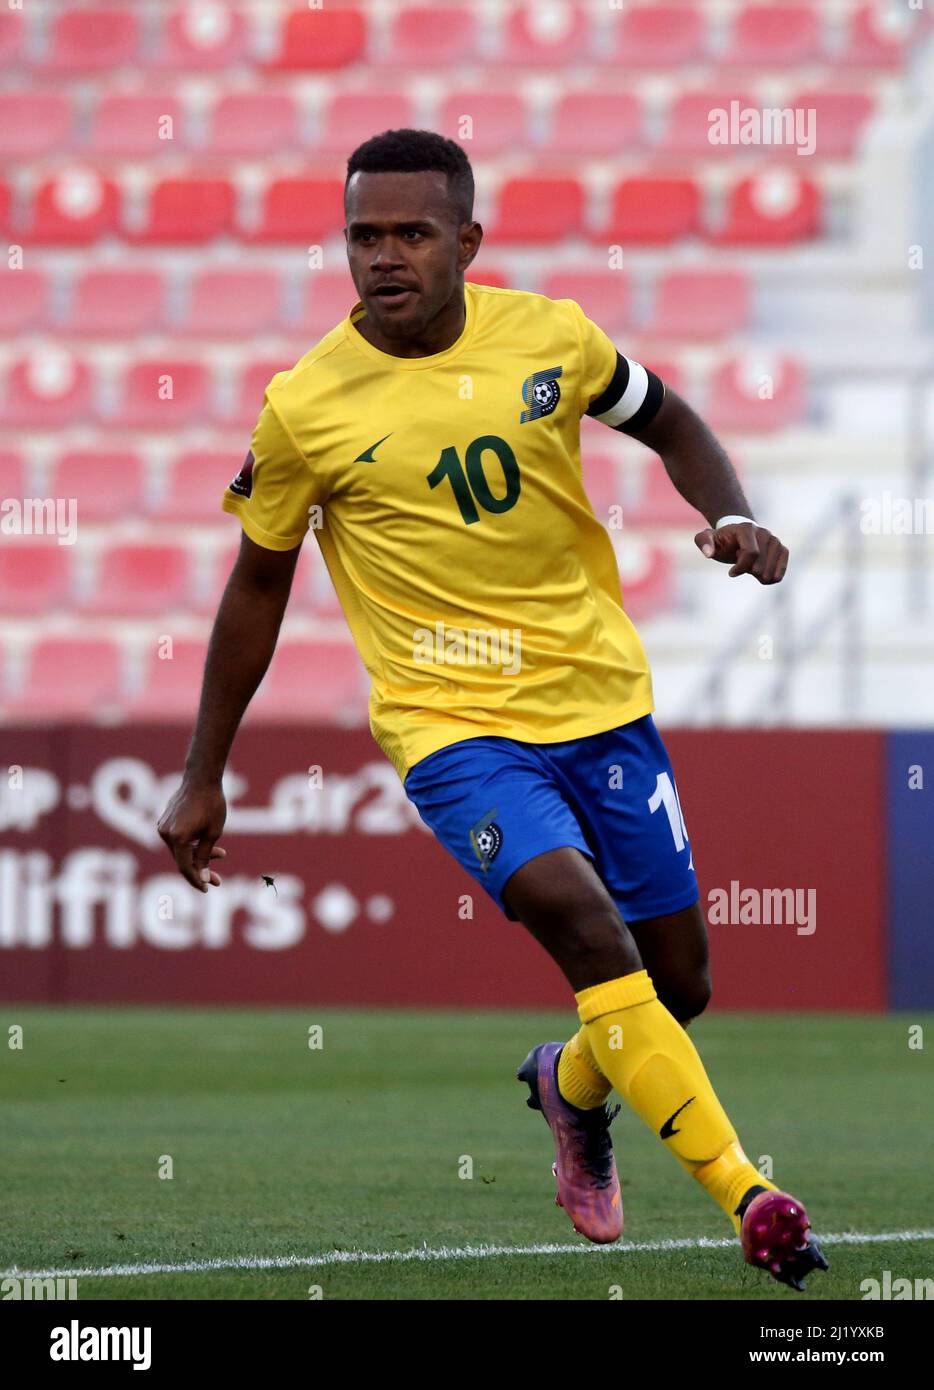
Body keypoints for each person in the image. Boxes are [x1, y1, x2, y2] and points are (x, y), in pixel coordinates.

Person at [158, 128, 827, 1292]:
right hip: (451, 727)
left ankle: (568, 1087)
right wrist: (201, 768)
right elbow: (256, 583)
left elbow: (667, 418)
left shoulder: (552, 339)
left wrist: (734, 513)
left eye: (411, 233)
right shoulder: (304, 405)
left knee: (679, 985)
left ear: (468, 241)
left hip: (598, 703)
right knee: (585, 929)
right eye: (364, 234)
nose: (383, 257)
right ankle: (747, 1194)